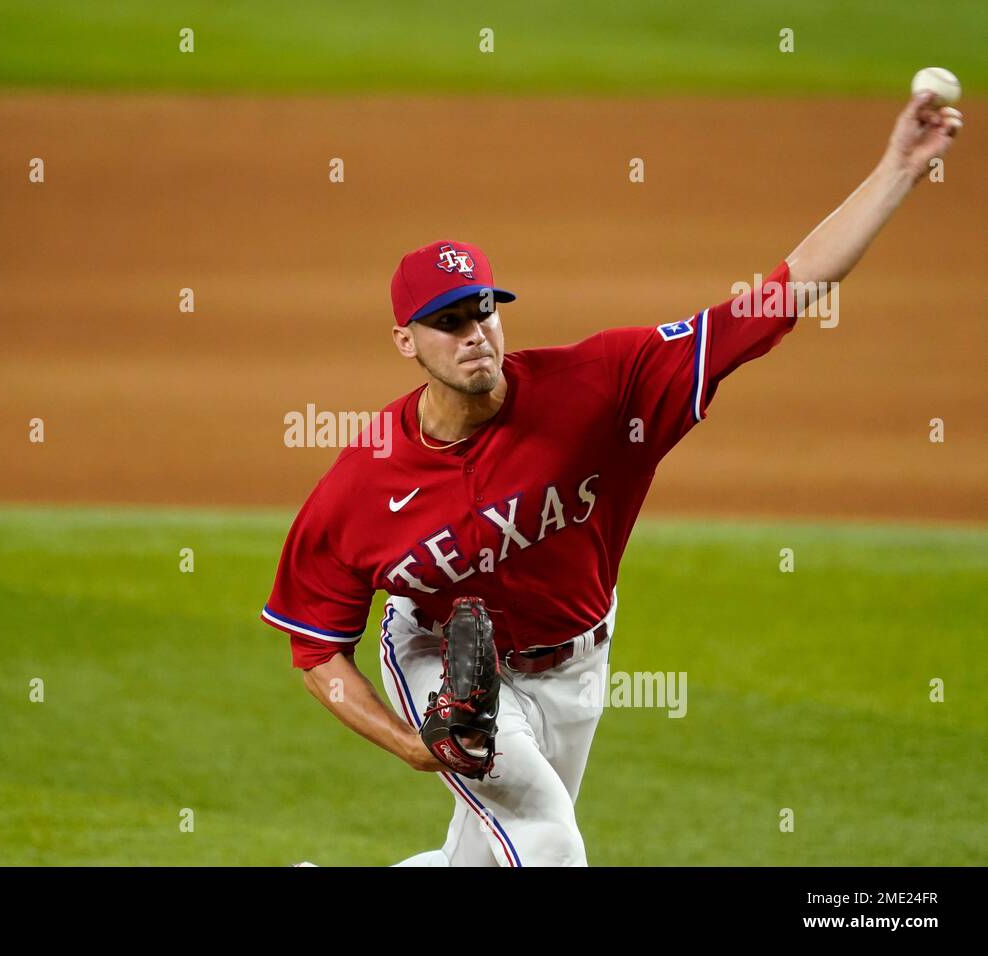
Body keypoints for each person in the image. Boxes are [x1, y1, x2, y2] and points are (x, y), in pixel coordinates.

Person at [261, 93, 962, 866]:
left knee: (490, 860)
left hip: (580, 656)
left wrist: (897, 169)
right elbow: (315, 649)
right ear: (407, 340)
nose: (475, 334)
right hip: (440, 659)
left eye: (483, 310)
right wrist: (410, 746)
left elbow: (772, 302)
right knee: (547, 844)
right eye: (450, 322)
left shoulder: (599, 387)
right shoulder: (360, 486)